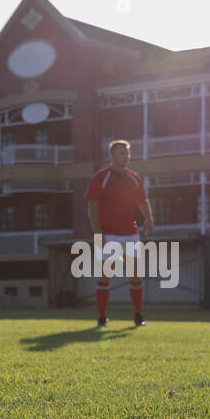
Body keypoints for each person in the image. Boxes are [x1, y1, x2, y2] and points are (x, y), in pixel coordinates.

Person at [85, 139, 155, 328]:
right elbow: (92, 206)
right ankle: (101, 317)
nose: (126, 156)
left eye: (128, 153)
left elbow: (142, 201)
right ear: (112, 156)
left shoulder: (134, 177)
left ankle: (138, 315)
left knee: (135, 275)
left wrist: (149, 219)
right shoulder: (101, 178)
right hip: (108, 234)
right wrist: (98, 234)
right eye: (122, 153)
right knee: (105, 275)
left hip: (130, 233)